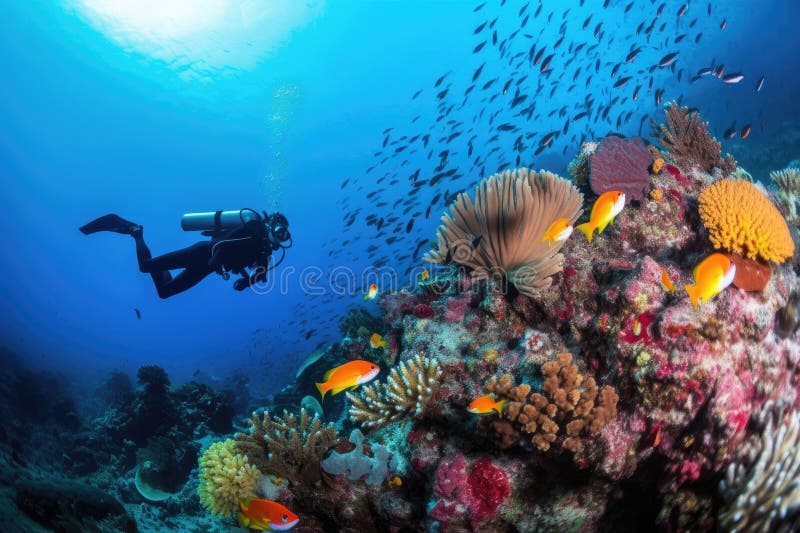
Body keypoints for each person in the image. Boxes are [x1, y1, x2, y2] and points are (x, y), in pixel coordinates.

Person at [80, 209, 291, 299]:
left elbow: (261, 274)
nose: (280, 237)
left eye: (284, 235)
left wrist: (248, 282)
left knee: (164, 293)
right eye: (279, 230)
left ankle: (160, 265)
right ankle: (136, 232)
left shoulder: (265, 251)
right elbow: (222, 245)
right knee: (145, 267)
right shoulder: (253, 228)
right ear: (271, 225)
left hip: (205, 269)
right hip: (201, 253)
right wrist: (217, 261)